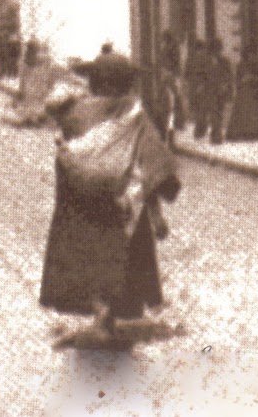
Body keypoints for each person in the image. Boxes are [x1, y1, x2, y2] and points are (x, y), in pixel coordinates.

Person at [40, 52, 179, 344]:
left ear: (95, 81)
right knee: (121, 259)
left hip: (84, 204)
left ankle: (99, 312)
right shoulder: (133, 114)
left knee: (88, 258)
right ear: (126, 83)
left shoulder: (75, 113)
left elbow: (65, 156)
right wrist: (158, 209)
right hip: (121, 203)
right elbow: (153, 161)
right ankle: (109, 316)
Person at [226, 51, 258, 141]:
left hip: (253, 90)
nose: (252, 57)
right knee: (242, 111)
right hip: (244, 91)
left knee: (252, 111)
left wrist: (256, 78)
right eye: (251, 55)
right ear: (247, 56)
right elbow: (237, 80)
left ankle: (252, 132)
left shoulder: (256, 65)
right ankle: (240, 132)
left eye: (254, 55)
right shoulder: (240, 66)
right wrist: (245, 79)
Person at [205, 39, 234, 145]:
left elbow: (229, 76)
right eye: (215, 50)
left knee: (219, 113)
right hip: (210, 92)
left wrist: (226, 87)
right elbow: (204, 77)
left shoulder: (225, 62)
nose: (217, 52)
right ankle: (216, 135)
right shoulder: (207, 62)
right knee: (214, 113)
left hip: (221, 92)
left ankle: (217, 135)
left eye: (218, 50)